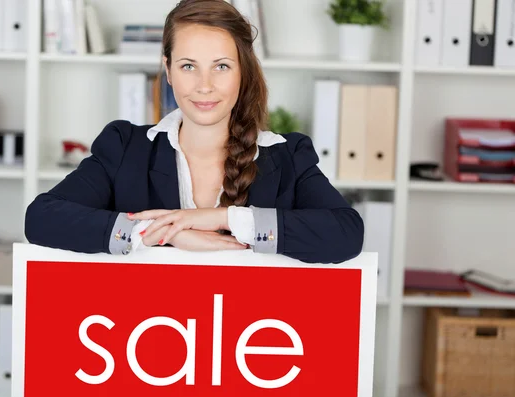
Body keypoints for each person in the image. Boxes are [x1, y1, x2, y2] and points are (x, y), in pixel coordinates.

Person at [24, 0, 364, 264]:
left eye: (221, 67)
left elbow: (346, 233)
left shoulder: (288, 155)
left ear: (242, 73)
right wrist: (161, 234)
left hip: (250, 340)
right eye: (188, 66)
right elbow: (41, 218)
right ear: (168, 70)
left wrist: (219, 218)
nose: (205, 86)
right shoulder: (124, 148)